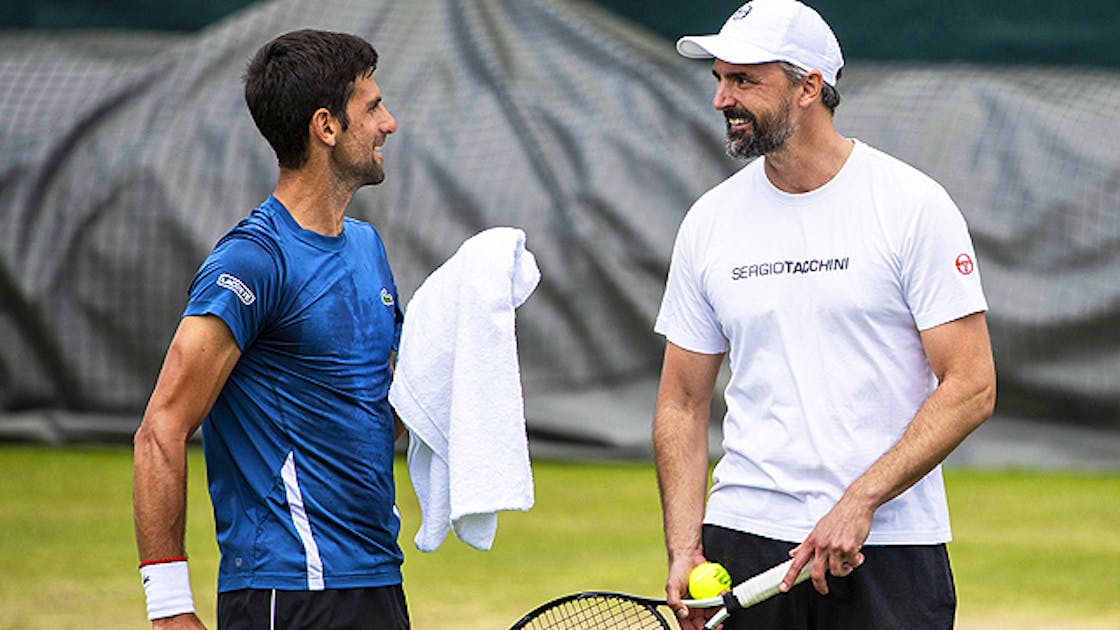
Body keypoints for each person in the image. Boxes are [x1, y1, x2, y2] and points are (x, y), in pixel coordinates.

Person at [651, 1, 996, 628]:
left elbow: (971, 386)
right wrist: (684, 546)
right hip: (743, 541)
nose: (721, 100)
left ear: (810, 87)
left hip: (886, 547)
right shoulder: (708, 221)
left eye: (744, 80)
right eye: (720, 79)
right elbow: (681, 400)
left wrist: (860, 500)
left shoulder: (913, 206)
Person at [132, 29, 408, 629]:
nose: (388, 123)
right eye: (373, 107)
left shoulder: (368, 248)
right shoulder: (252, 260)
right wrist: (169, 608)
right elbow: (161, 430)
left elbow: (377, 409)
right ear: (326, 127)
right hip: (287, 593)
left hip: (380, 582)